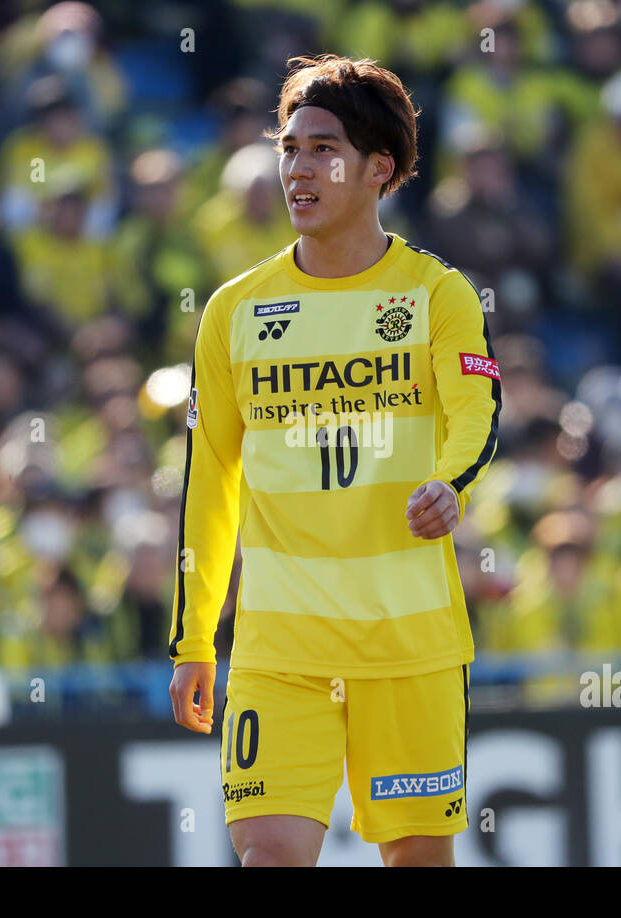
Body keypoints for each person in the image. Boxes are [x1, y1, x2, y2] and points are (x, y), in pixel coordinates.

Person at [167, 55, 500, 867]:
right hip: (280, 649)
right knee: (270, 857)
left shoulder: (436, 294)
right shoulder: (234, 313)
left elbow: (477, 414)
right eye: (288, 149)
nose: (297, 169)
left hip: (408, 646)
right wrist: (194, 642)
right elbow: (209, 483)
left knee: (417, 861)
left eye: (322, 149)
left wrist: (449, 485)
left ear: (378, 167)